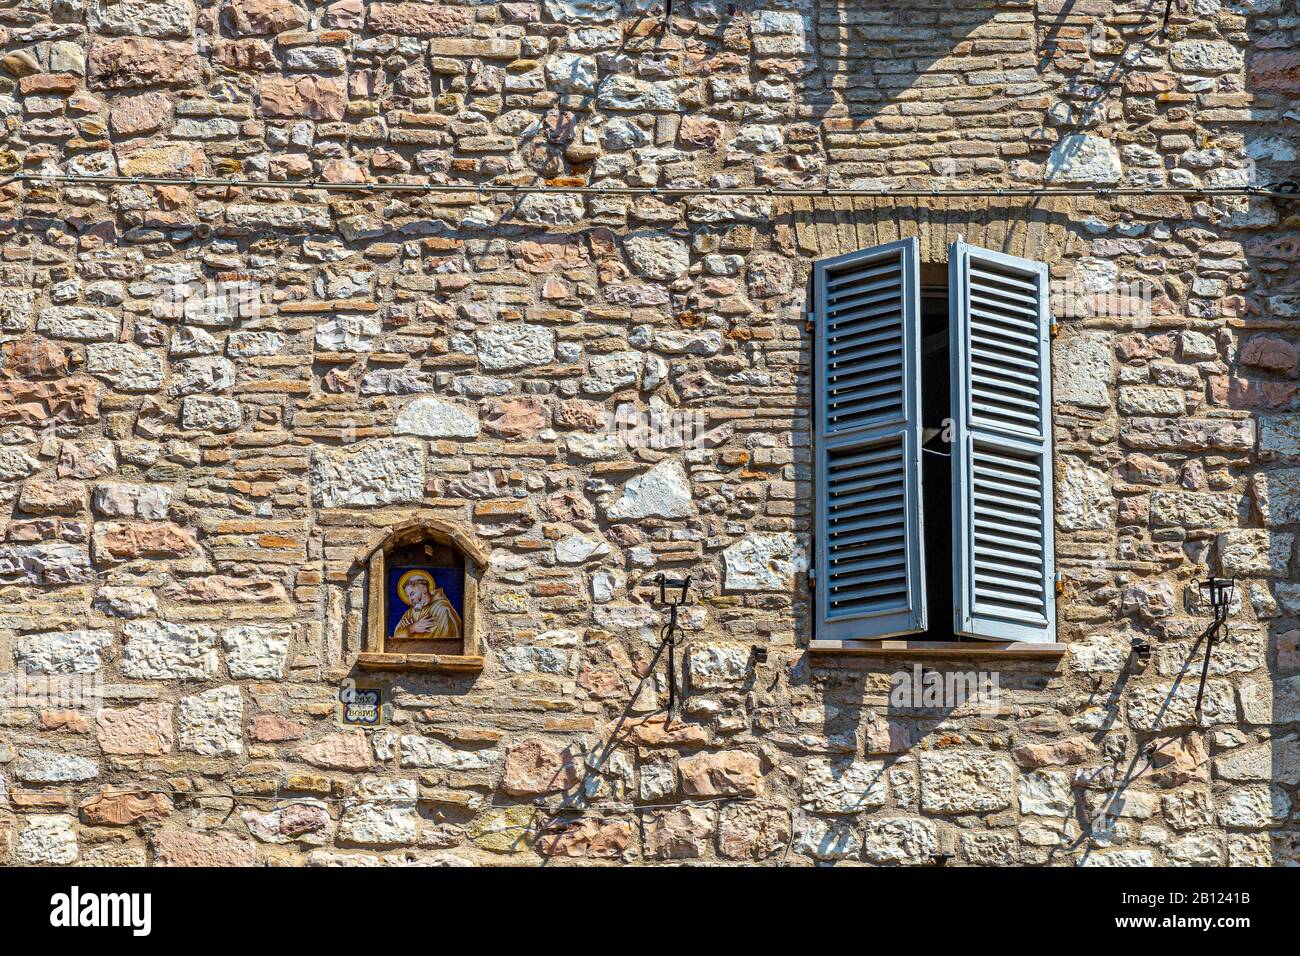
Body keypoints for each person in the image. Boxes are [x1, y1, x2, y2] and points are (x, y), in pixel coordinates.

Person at [392, 570, 462, 640]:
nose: (410, 599)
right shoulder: (410, 612)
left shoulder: (442, 609)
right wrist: (411, 628)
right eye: (408, 596)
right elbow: (396, 636)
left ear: (424, 589)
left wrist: (409, 633)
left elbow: (443, 640)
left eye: (412, 594)